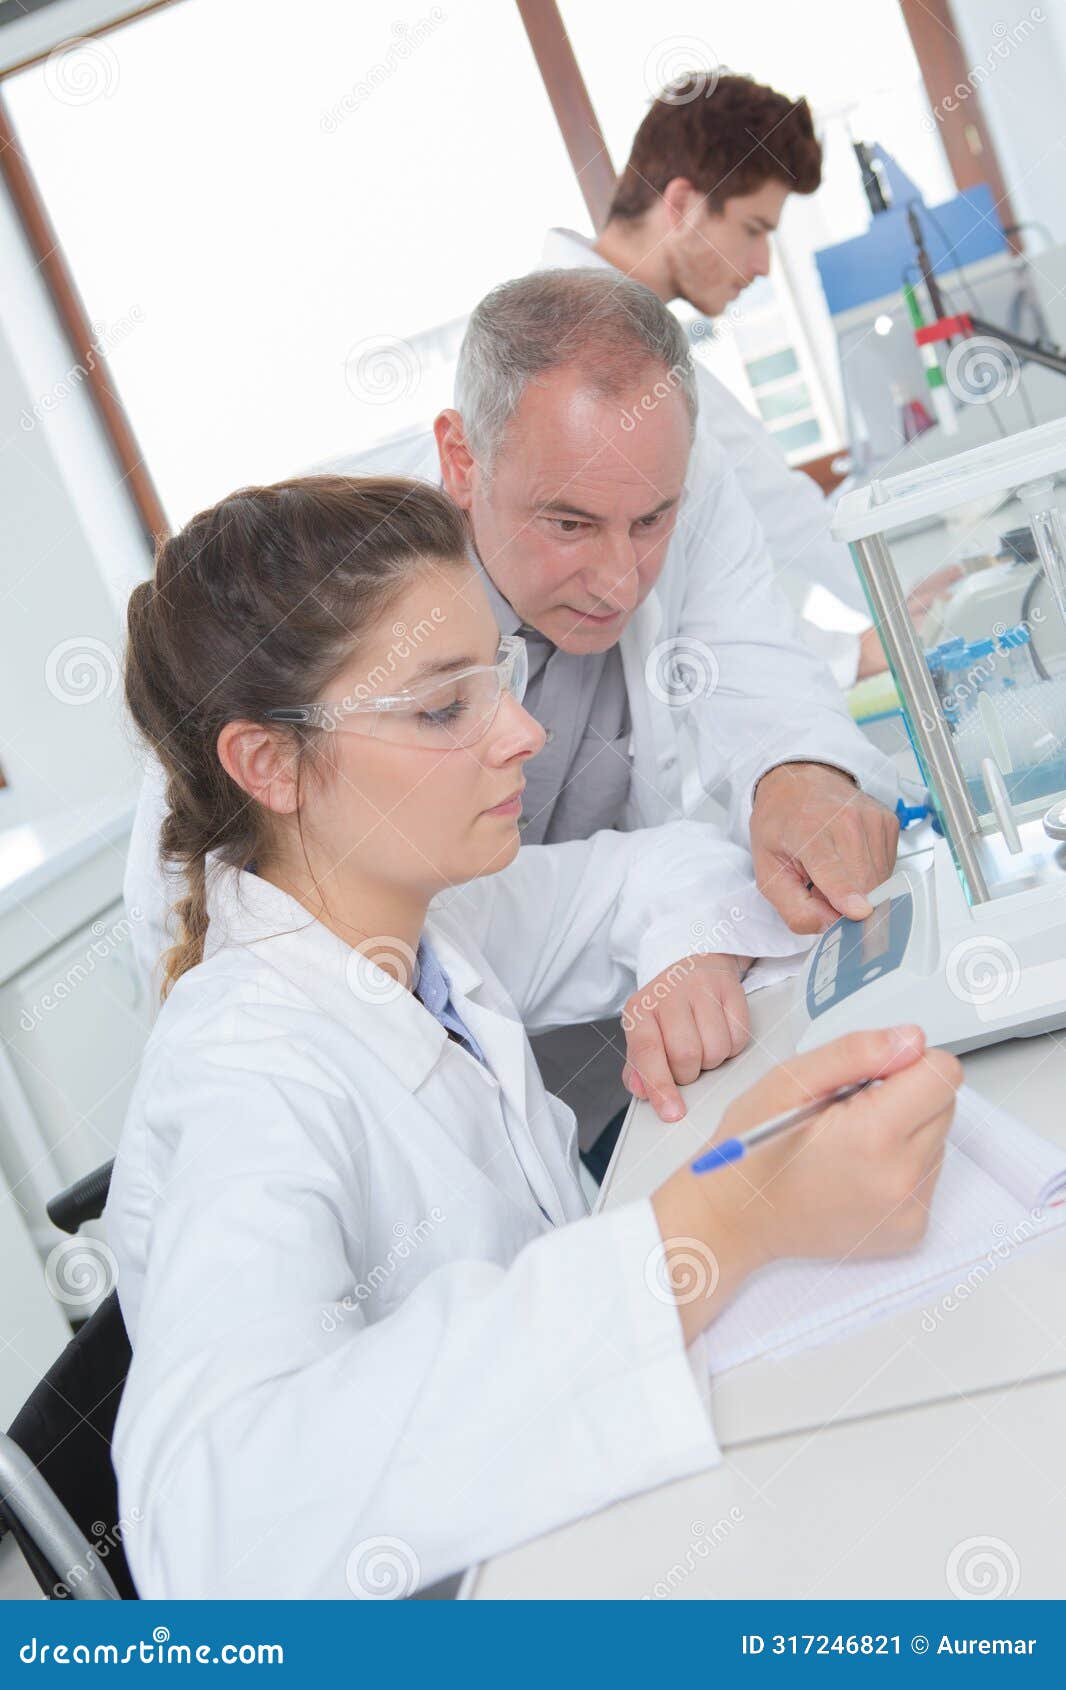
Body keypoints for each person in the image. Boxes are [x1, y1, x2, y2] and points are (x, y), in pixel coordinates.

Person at [106, 473, 960, 1599]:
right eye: (442, 706)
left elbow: (663, 870)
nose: (523, 732)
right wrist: (711, 1226)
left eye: (496, 679)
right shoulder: (242, 1072)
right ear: (270, 764)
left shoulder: (419, 913)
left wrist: (683, 951)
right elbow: (213, 1533)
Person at [124, 270, 902, 1168]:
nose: (621, 580)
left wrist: (799, 777)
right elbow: (186, 891)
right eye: (568, 525)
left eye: (653, 521)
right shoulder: (343, 593)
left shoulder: (665, 467)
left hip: (602, 1066)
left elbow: (753, 678)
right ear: (462, 460)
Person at [542, 71, 961, 685]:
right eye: (754, 231)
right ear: (682, 206)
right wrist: (851, 654)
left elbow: (774, 502)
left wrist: (902, 605)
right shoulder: (586, 351)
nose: (763, 265)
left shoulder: (633, 337)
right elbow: (658, 602)